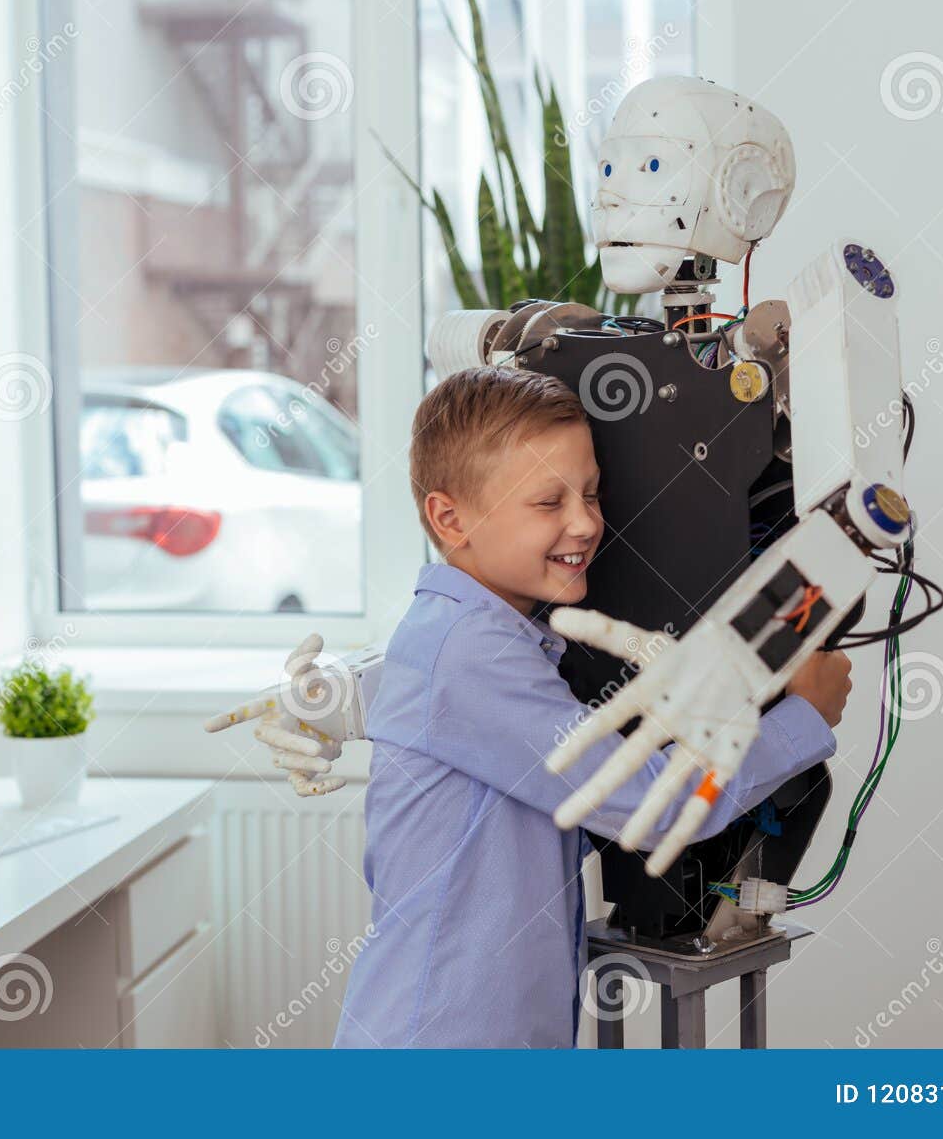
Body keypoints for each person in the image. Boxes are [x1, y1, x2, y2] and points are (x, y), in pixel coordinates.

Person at [333, 367, 852, 1048]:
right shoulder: (470, 653)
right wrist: (803, 718)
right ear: (449, 517)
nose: (584, 521)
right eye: (548, 502)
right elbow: (652, 804)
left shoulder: (496, 640)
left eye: (593, 492)